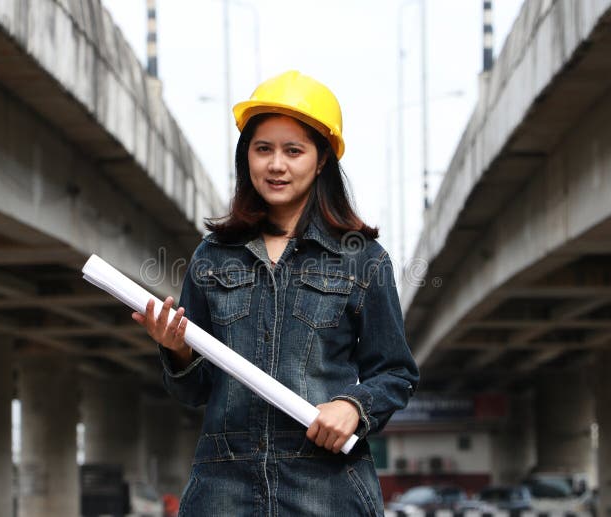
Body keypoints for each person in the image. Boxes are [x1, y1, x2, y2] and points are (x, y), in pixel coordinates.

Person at [133, 70, 419, 516]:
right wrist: (178, 353)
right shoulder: (213, 256)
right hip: (224, 490)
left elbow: (396, 372)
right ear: (245, 155)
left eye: (293, 150)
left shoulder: (363, 259)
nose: (276, 165)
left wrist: (354, 406)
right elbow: (195, 393)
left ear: (321, 159)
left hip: (326, 489)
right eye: (262, 149)